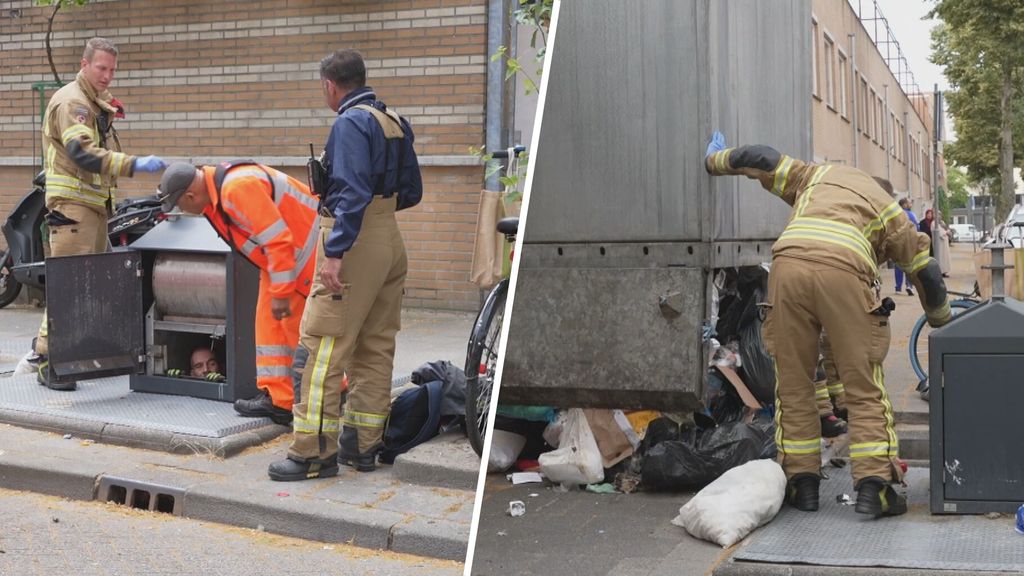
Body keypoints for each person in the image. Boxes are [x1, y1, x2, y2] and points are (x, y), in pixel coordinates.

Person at [705, 131, 950, 517]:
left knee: (794, 383)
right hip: (845, 273)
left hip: (788, 269)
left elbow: (761, 157)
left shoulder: (815, 176)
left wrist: (714, 161)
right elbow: (928, 274)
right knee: (864, 386)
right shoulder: (890, 210)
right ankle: (875, 487)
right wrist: (941, 321)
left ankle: (802, 484)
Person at [267, 48, 422, 481]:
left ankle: (313, 454)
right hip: (389, 238)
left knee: (320, 349)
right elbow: (413, 191)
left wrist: (336, 251)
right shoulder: (393, 120)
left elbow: (352, 192)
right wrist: (378, 217)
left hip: (353, 243)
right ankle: (362, 446)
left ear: (330, 85)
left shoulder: (350, 123)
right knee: (375, 346)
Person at [31, 37, 167, 391]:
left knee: (82, 286)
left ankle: (70, 355)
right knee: (70, 287)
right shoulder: (74, 102)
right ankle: (48, 360)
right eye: (101, 68)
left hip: (89, 209)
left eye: (112, 70)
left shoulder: (91, 101)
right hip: (73, 210)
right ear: (84, 64)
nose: (107, 75)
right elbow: (83, 154)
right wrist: (134, 164)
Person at [156, 160, 320, 425]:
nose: (182, 210)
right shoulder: (218, 190)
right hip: (282, 262)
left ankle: (323, 399)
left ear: (190, 195)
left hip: (301, 261)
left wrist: (282, 291)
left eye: (180, 205)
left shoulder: (236, 188)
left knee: (299, 335)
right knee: (269, 327)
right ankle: (281, 400)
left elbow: (278, 240)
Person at [894, 198, 918, 296]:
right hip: (909, 242)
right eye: (909, 203)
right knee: (909, 264)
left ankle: (898, 288)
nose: (911, 204)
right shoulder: (911, 215)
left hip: (898, 241)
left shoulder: (895, 214)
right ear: (904, 205)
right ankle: (909, 285)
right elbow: (917, 227)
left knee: (898, 264)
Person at [933, 211, 952, 277]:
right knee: (940, 257)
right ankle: (940, 272)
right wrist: (946, 232)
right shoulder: (933, 223)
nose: (939, 216)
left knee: (945, 258)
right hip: (939, 244)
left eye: (940, 215)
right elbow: (940, 233)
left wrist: (948, 231)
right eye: (937, 215)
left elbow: (946, 228)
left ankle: (944, 271)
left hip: (944, 243)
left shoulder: (942, 222)